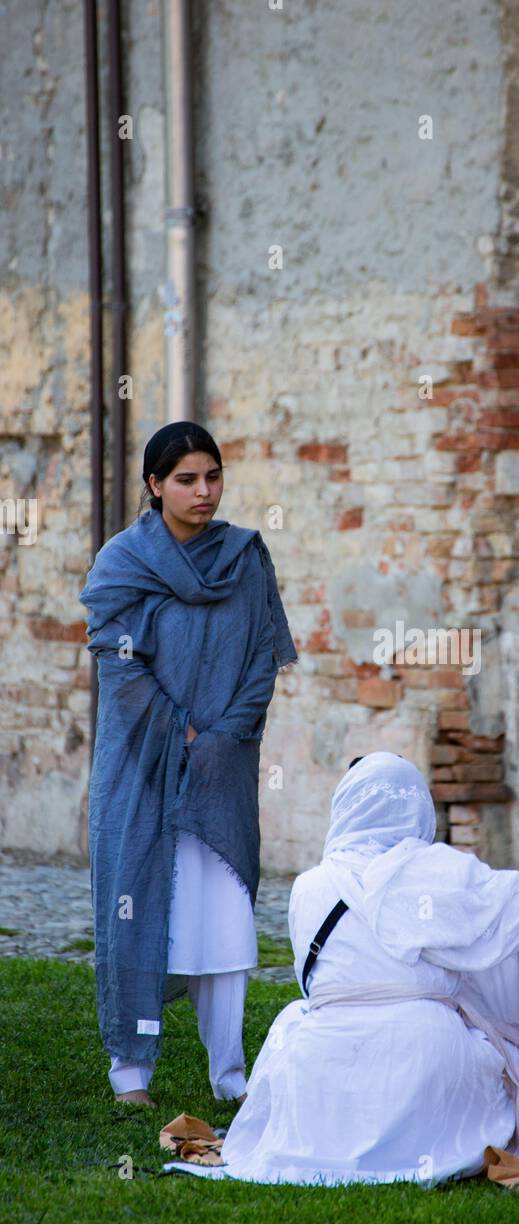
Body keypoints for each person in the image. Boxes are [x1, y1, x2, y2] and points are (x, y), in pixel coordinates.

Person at [164, 751, 519, 1185]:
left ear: (345, 805)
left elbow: (312, 986)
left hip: (318, 1058)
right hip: (425, 1052)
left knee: (294, 1020)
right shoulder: (437, 874)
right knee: (501, 1060)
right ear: (418, 808)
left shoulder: (308, 885)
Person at [79, 421, 298, 1108]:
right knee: (136, 904)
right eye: (185, 480)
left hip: (223, 768)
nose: (203, 492)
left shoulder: (244, 557)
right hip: (142, 767)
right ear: (154, 485)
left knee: (223, 917)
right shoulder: (122, 562)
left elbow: (264, 657)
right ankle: (130, 1071)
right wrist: (183, 732)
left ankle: (228, 1073)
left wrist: (224, 737)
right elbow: (120, 666)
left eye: (212, 477)